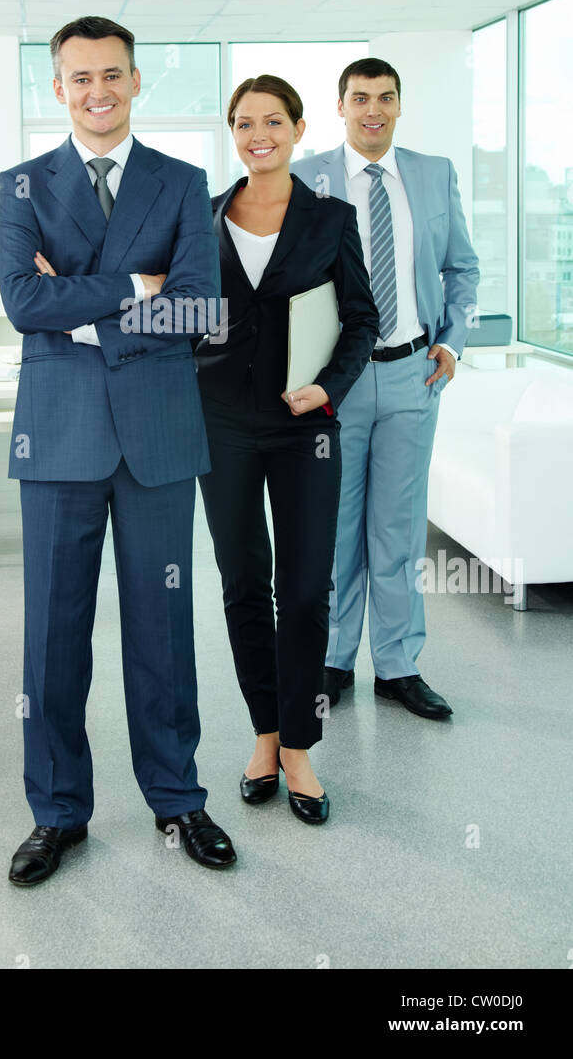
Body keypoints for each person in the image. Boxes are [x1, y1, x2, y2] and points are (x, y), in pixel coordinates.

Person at [0, 16, 236, 886]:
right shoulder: (22, 185)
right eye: (79, 77)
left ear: (137, 82)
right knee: (52, 637)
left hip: (158, 436)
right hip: (59, 435)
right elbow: (24, 302)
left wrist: (86, 305)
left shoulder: (181, 182)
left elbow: (201, 310)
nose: (97, 91)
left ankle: (178, 800)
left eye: (112, 75)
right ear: (57, 89)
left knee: (164, 631)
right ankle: (58, 813)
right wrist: (138, 287)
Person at [194, 75, 378, 824]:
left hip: (306, 426)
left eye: (272, 121)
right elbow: (179, 306)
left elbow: (362, 319)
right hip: (223, 424)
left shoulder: (330, 217)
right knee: (244, 585)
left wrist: (329, 388)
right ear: (231, 132)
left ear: (299, 129)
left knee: (305, 589)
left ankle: (300, 742)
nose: (257, 134)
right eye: (243, 122)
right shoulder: (206, 216)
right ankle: (265, 734)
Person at [294, 58, 480, 719]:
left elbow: (462, 267)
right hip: (335, 381)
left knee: (396, 533)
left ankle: (398, 665)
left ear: (400, 105)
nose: (373, 110)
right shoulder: (305, 176)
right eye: (361, 99)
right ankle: (335, 660)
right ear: (340, 106)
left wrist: (451, 343)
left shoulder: (434, 175)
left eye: (386, 98)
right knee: (336, 529)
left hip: (410, 373)